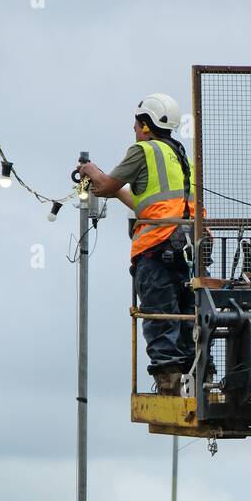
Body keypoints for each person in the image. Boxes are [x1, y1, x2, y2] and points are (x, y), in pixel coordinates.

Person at [77, 94, 195, 396]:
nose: (133, 127)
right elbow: (149, 206)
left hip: (156, 248)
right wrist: (117, 192)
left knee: (159, 315)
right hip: (189, 249)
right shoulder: (181, 157)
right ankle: (196, 379)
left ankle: (168, 382)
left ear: (145, 126)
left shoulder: (142, 151)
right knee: (185, 316)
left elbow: (102, 186)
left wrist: (89, 170)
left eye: (136, 122)